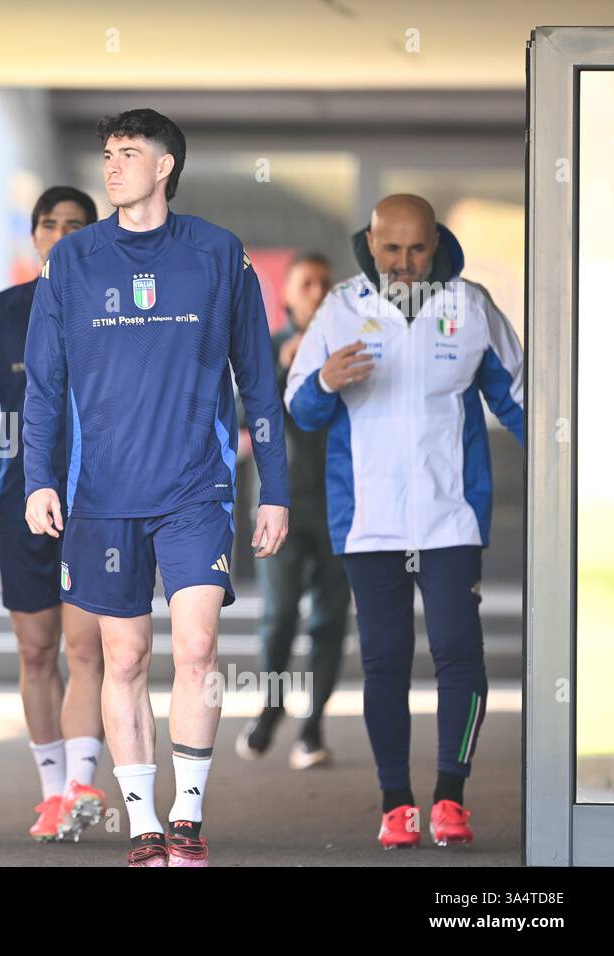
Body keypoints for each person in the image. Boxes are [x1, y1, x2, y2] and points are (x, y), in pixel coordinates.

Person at [23, 109, 290, 867]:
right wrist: (39, 479)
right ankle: (143, 823)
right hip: (101, 498)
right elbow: (44, 386)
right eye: (107, 153)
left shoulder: (217, 254)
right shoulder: (70, 261)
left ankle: (189, 815)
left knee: (200, 646)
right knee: (126, 659)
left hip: (195, 490)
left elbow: (259, 384)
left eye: (129, 153)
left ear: (165, 165)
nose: (112, 166)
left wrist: (273, 488)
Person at [284, 194, 524, 850]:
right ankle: (397, 803)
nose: (406, 262)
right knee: (385, 660)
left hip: (451, 518)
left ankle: (451, 795)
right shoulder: (339, 310)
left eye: (417, 248)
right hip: (370, 522)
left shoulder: (470, 307)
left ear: (436, 240)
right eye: (392, 249)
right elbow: (300, 410)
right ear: (371, 242)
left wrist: (570, 474)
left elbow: (520, 398)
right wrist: (326, 381)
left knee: (458, 652)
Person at [0, 185, 106, 842]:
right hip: (22, 504)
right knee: (37, 652)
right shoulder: (2, 313)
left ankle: (81, 787)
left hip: (98, 504)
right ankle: (51, 792)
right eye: (50, 225)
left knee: (86, 646)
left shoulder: (114, 309)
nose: (62, 235)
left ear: (93, 236)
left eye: (75, 226)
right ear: (34, 235)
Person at [236, 252, 350, 769]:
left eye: (326, 284)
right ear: (287, 295)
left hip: (341, 505)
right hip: (277, 507)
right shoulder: (267, 349)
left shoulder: (353, 351)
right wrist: (285, 372)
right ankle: (271, 708)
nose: (318, 292)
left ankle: (313, 726)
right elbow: (239, 415)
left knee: (329, 619)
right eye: (307, 283)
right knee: (279, 615)